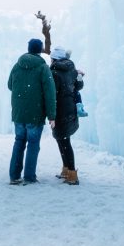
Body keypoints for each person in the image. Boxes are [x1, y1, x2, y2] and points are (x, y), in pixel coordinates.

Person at [7, 38, 56, 184]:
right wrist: (52, 115)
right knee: (33, 143)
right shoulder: (43, 67)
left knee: (19, 142)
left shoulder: (17, 65)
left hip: (19, 113)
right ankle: (29, 177)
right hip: (35, 114)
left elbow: (10, 85)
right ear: (40, 50)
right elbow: (50, 92)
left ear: (28, 48)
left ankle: (14, 176)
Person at [49, 46, 83, 185]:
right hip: (70, 108)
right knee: (62, 139)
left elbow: (52, 93)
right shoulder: (71, 69)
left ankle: (73, 175)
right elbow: (79, 86)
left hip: (60, 109)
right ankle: (66, 169)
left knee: (64, 141)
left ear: (54, 59)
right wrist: (78, 76)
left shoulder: (54, 71)